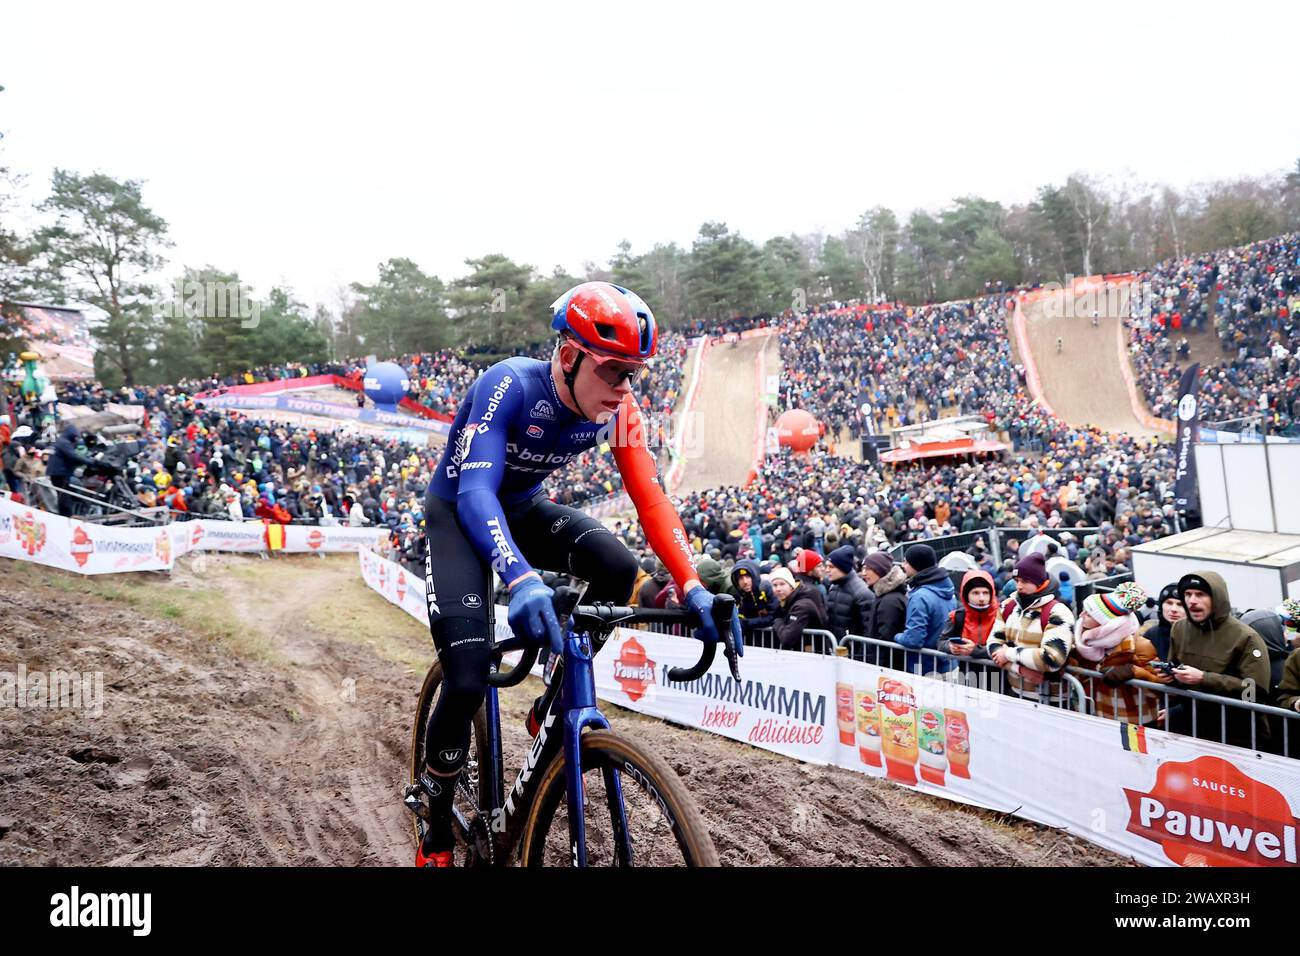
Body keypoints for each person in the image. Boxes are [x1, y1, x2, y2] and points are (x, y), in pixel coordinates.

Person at [414, 281, 741, 867]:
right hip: (462, 513)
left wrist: (692, 584)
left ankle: (555, 702)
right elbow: (476, 493)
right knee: (467, 678)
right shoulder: (509, 386)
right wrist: (518, 577)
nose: (623, 388)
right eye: (614, 370)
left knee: (618, 566)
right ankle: (435, 815)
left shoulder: (620, 409)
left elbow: (651, 498)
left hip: (523, 510)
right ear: (569, 357)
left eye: (634, 375)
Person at [1153, 571, 1271, 750]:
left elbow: (1255, 691)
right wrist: (1168, 677)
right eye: (1188, 594)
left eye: (1200, 594)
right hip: (1191, 730)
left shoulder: (1246, 637)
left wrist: (1204, 678)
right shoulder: (1179, 628)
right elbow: (1176, 669)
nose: (1192, 600)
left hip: (1237, 735)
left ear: (1217, 599)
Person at [986, 552, 1075, 698]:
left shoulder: (1058, 612)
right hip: (1015, 692)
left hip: (1051, 699)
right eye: (1017, 580)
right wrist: (1018, 668)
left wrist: (1008, 653)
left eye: (1025, 581)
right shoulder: (1007, 606)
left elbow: (1051, 658)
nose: (1019, 586)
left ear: (1039, 582)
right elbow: (993, 645)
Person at [1070, 584, 1161, 725]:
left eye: (1088, 613)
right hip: (1099, 717)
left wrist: (1135, 672)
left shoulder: (1139, 646)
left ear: (1105, 622)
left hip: (1135, 722)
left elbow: (1160, 691)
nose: (1081, 616)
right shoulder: (1084, 642)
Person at [893, 544, 957, 675]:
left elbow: (914, 639)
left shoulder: (920, 596)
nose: (903, 565)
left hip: (927, 668)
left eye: (906, 561)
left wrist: (897, 636)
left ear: (916, 565)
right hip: (949, 664)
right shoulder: (947, 587)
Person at [939, 569, 998, 660]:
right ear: (966, 595)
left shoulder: (1001, 616)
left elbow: (1006, 648)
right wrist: (950, 647)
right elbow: (941, 642)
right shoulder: (957, 616)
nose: (981, 598)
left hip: (995, 672)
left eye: (986, 593)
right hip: (966, 671)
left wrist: (975, 650)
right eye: (975, 593)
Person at [861, 551, 907, 666]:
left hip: (888, 668)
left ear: (880, 570)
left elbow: (886, 641)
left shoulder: (889, 602)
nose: (863, 573)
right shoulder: (885, 596)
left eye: (868, 569)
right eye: (863, 569)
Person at [768, 566, 829, 652]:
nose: (778, 589)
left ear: (791, 586)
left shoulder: (801, 606)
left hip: (814, 655)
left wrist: (777, 622)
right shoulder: (786, 601)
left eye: (782, 584)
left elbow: (787, 639)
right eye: (775, 585)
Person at [824, 545, 873, 640]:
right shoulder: (833, 586)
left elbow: (868, 631)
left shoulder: (862, 593)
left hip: (853, 651)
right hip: (835, 648)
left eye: (831, 567)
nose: (827, 570)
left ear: (843, 567)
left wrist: (859, 654)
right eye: (826, 566)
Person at [45, 424, 94, 517]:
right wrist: (89, 461)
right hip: (60, 473)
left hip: (57, 472)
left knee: (63, 494)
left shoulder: (60, 441)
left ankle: (66, 514)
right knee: (64, 495)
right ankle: (66, 515)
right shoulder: (64, 443)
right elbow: (73, 456)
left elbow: (71, 458)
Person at [730, 559, 777, 639]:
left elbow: (774, 617)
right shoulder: (740, 596)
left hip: (773, 640)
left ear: (754, 576)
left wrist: (748, 622)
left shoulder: (766, 589)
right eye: (740, 578)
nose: (745, 582)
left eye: (748, 577)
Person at [1138, 583, 1184, 661]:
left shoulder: (1199, 635)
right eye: (1169, 603)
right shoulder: (1152, 634)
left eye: (1180, 604)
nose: (1173, 609)